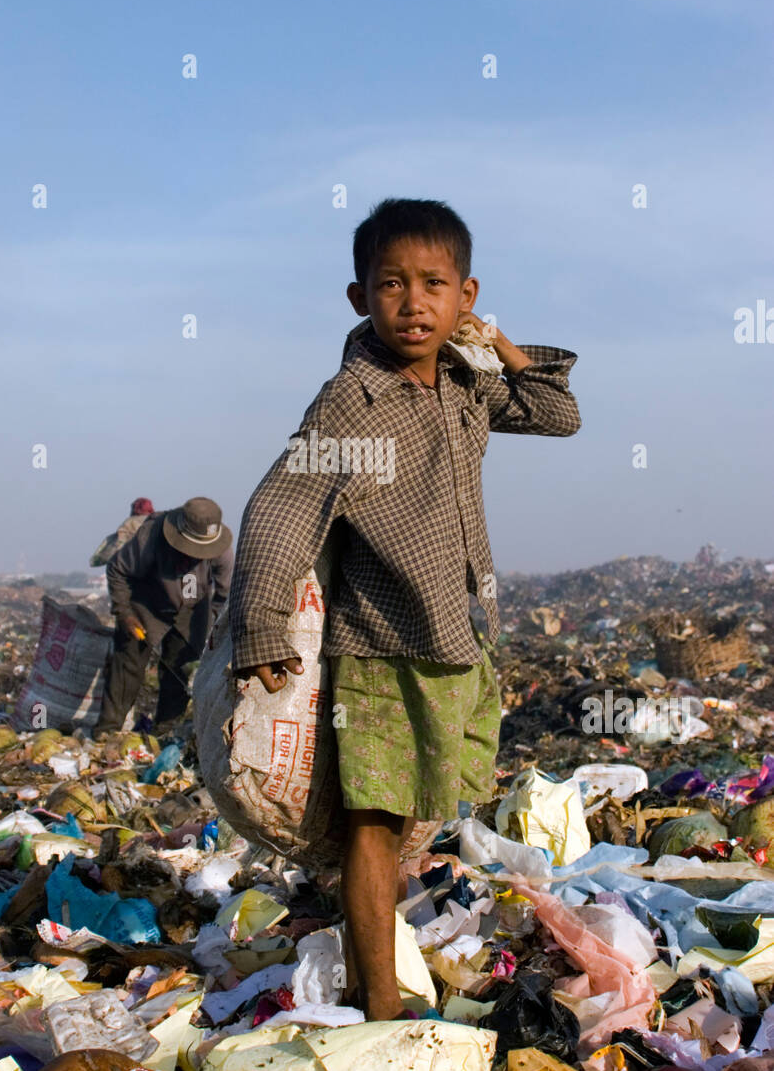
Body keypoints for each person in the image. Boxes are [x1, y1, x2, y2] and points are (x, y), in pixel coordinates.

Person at [229, 197, 581, 1020]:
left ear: (467, 294)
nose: (413, 303)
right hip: (379, 641)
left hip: (453, 639)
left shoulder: (463, 385)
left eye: (434, 285)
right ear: (359, 298)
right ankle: (379, 1003)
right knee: (374, 826)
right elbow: (284, 504)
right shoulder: (353, 402)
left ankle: (369, 978)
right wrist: (259, 624)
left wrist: (492, 343)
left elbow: (558, 414)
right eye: (391, 284)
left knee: (413, 816)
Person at [96, 497, 234, 736]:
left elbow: (225, 596)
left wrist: (213, 629)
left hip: (193, 608)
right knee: (127, 665)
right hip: (147, 601)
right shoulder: (152, 535)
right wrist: (125, 614)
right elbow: (117, 570)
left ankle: (165, 731)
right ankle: (107, 730)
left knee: (180, 669)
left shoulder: (222, 550)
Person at [89, 497, 155, 568]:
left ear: (135, 509)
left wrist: (97, 560)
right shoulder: (158, 521)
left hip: (135, 568)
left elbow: (118, 544)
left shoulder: (130, 523)